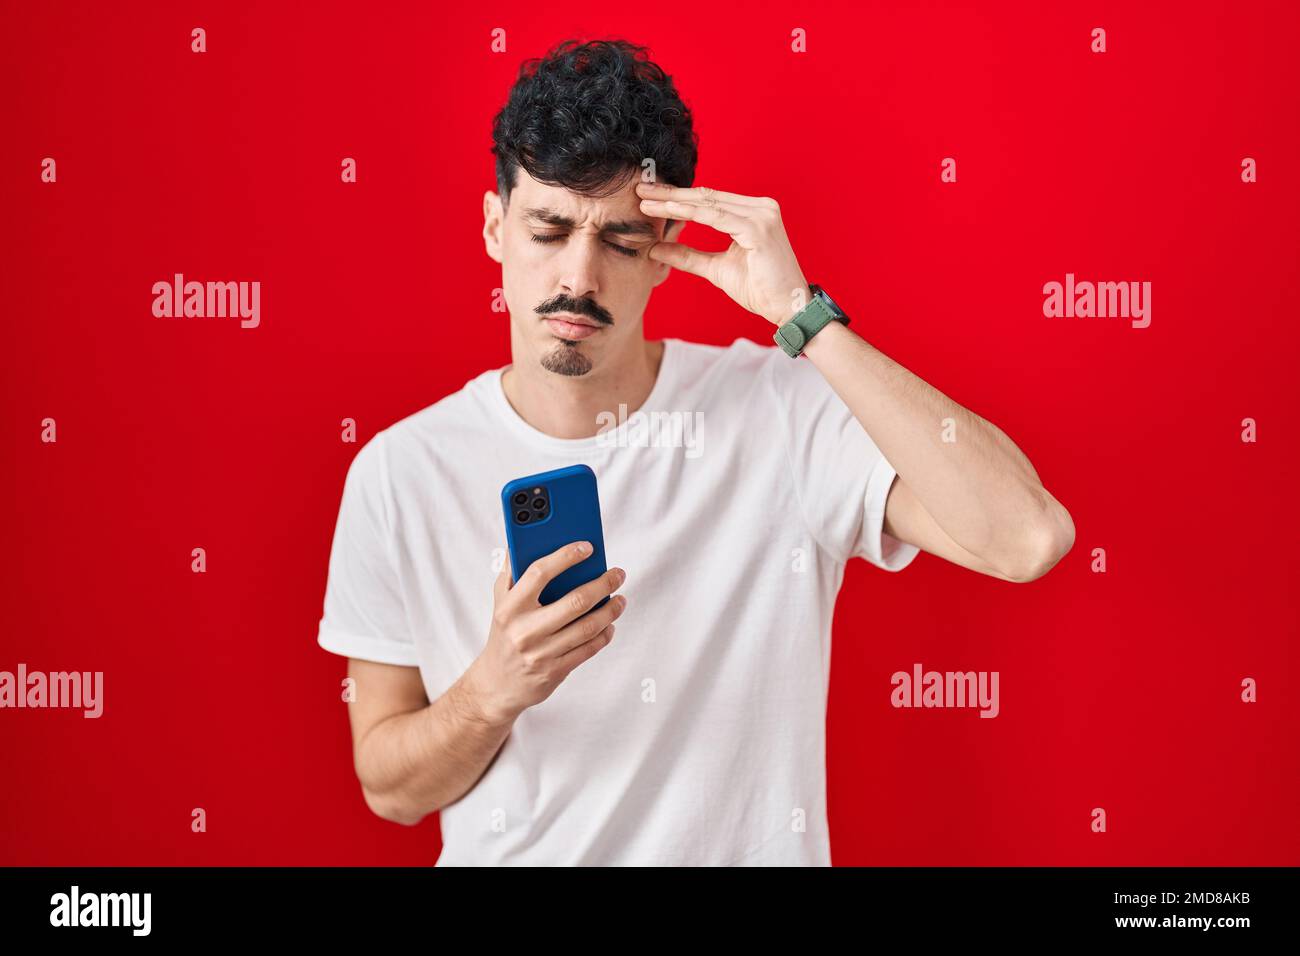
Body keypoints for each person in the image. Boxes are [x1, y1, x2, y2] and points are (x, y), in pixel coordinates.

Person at [316, 38, 1074, 865]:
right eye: (549, 228)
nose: (579, 277)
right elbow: (390, 789)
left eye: (620, 240)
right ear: (496, 227)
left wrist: (803, 315)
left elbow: (1027, 538)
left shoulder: (779, 412)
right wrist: (493, 690)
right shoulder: (397, 472)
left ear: (667, 245)